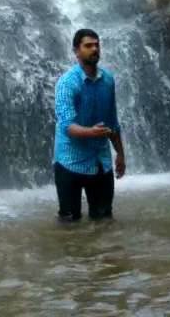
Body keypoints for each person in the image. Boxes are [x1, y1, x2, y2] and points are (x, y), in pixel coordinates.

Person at [53, 28, 126, 221]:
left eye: (96, 45)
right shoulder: (67, 83)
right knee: (69, 221)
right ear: (76, 51)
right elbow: (67, 126)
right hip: (70, 161)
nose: (94, 49)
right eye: (88, 46)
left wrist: (120, 154)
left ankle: (103, 252)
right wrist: (92, 132)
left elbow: (112, 121)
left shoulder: (108, 80)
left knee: (104, 219)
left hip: (100, 161)